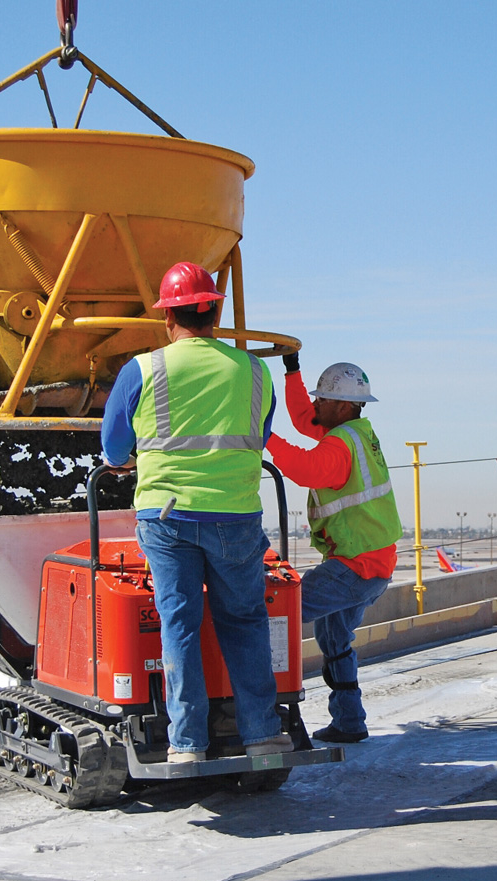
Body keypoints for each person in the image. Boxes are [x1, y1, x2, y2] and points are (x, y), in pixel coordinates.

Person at [99, 261, 292, 764]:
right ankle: (263, 734)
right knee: (246, 621)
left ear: (169, 317)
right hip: (236, 515)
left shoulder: (142, 369)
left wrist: (127, 463)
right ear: (214, 312)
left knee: (179, 623)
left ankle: (187, 744)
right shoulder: (255, 370)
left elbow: (114, 447)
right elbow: (260, 434)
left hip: (167, 519)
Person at [265, 356, 401, 743]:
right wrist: (292, 371)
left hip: (355, 565)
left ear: (341, 406)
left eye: (321, 399)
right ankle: (349, 722)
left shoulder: (340, 447)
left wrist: (265, 439)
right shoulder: (356, 433)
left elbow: (305, 468)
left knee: (275, 614)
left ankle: (265, 719)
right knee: (334, 638)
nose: (315, 406)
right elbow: (303, 418)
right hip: (373, 562)